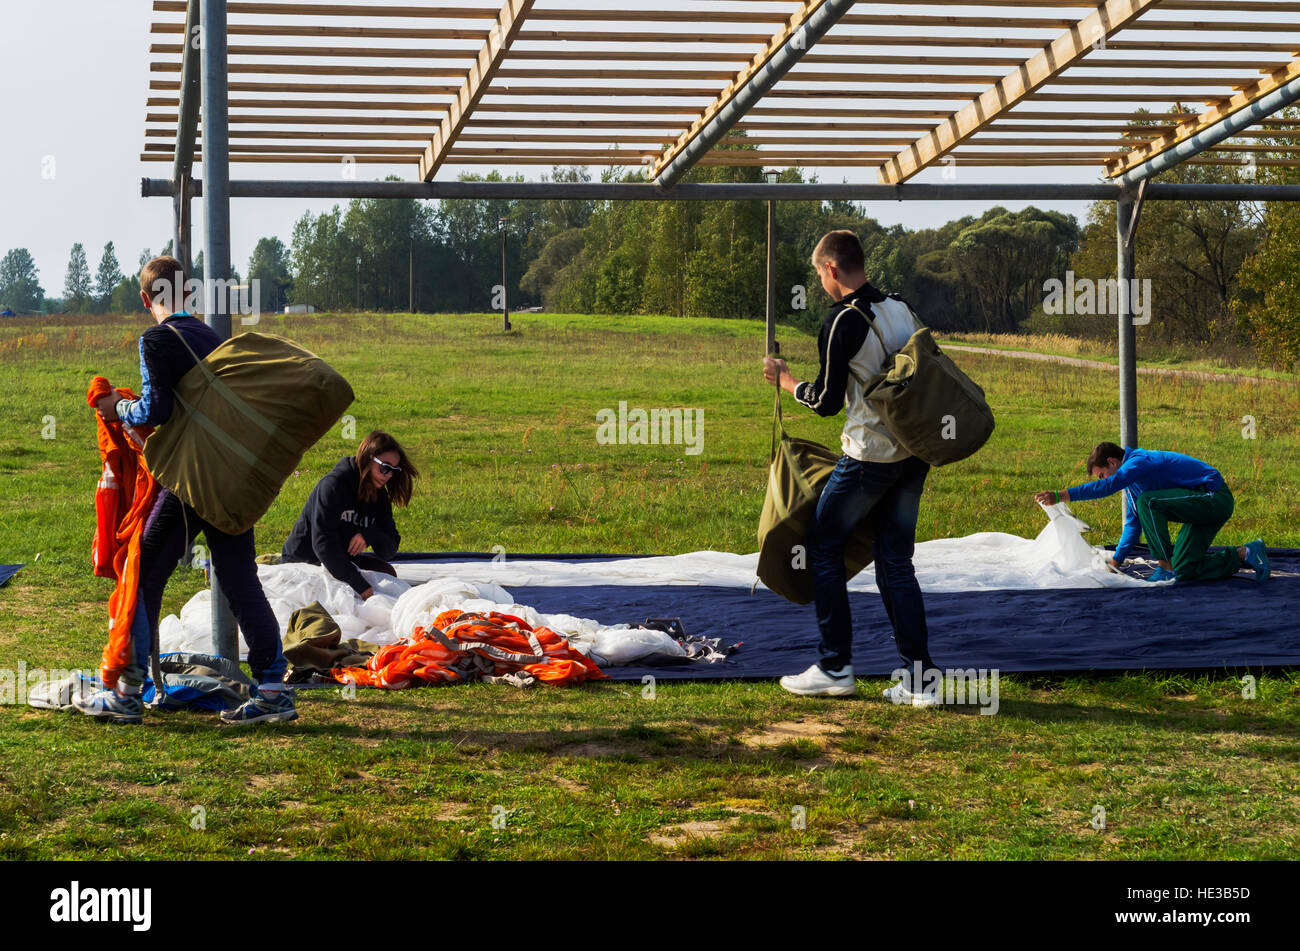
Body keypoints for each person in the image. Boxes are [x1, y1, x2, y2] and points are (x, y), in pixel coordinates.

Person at [75, 256, 295, 725]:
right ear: (190, 293)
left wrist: (120, 408)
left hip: (190, 478)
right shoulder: (208, 337)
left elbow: (157, 409)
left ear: (144, 298)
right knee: (238, 578)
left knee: (143, 572)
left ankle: (126, 692)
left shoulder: (156, 339)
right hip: (231, 477)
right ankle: (274, 687)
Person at [762, 230, 938, 704]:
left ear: (832, 269)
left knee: (822, 547)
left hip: (870, 458)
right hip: (914, 454)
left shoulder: (844, 320)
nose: (821, 281)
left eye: (820, 272)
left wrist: (785, 380)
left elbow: (825, 402)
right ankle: (921, 677)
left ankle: (835, 666)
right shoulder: (901, 307)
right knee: (897, 562)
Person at [1034, 441, 1269, 583]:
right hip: (1198, 508)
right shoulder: (1134, 486)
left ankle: (1164, 567)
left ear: (1113, 462)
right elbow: (1133, 525)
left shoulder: (1138, 461)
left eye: (1102, 474)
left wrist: (1061, 495)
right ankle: (1246, 553)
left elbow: (1109, 486)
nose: (1103, 479)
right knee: (1185, 569)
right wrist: (1115, 562)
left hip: (1214, 498)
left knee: (1149, 502)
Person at [280, 430, 417, 599]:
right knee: (348, 598)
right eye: (384, 468)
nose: (388, 475)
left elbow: (389, 549)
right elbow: (322, 544)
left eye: (393, 471)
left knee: (388, 574)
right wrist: (358, 584)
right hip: (305, 561)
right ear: (368, 458)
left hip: (339, 559)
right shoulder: (333, 486)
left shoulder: (379, 494)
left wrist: (370, 534)